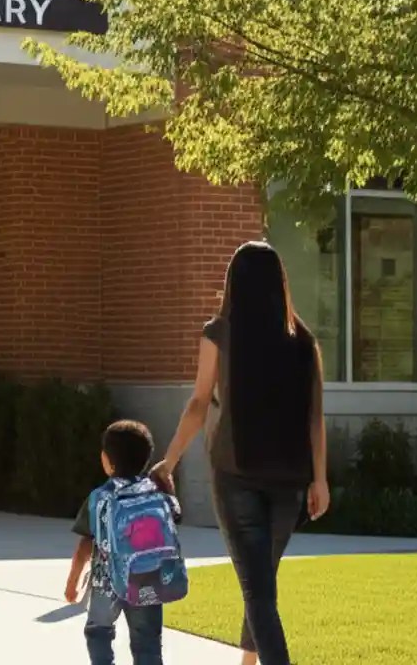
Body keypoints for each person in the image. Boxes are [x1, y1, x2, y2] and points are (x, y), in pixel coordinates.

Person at [150, 241, 330, 665]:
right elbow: (315, 418)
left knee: (258, 589)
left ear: (234, 283)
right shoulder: (304, 342)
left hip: (235, 474)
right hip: (290, 481)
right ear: (279, 283)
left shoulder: (219, 333)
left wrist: (169, 460)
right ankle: (247, 662)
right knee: (262, 581)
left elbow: (198, 404)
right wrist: (319, 478)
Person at [67, 420, 181, 665]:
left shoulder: (100, 498)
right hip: (150, 579)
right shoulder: (155, 492)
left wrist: (72, 582)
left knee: (98, 632)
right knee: (148, 643)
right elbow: (172, 520)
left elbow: (85, 545)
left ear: (107, 461)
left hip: (106, 583)